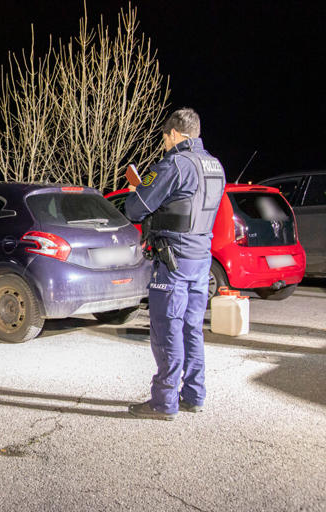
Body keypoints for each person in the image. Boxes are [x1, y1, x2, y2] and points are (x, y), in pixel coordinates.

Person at [124, 107, 226, 420]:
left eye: (165, 138)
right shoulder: (215, 165)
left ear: (175, 134)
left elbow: (134, 208)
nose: (164, 144)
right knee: (192, 330)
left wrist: (136, 189)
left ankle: (163, 402)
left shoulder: (175, 165)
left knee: (167, 329)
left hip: (174, 261)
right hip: (200, 260)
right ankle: (194, 395)